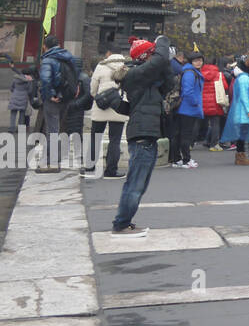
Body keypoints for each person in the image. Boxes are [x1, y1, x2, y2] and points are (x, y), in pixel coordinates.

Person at [111, 35, 175, 236]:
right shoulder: (135, 75)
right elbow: (160, 59)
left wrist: (164, 61)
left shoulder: (148, 79)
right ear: (146, 56)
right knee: (135, 183)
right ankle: (121, 224)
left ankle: (123, 221)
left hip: (148, 134)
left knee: (140, 183)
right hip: (141, 134)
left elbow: (168, 81)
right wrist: (162, 42)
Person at [37, 34, 82, 173]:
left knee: (52, 130)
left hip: (54, 99)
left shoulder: (48, 60)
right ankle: (54, 161)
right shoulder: (69, 57)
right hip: (66, 97)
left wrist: (50, 95)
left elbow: (45, 79)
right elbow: (76, 75)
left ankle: (51, 163)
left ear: (45, 46)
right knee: (58, 128)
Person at [87, 50, 128, 178]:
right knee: (114, 140)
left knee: (95, 138)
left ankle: (90, 167)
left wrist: (98, 97)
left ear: (109, 55)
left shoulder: (101, 66)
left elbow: (93, 88)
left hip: (101, 107)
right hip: (119, 107)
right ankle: (111, 171)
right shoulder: (127, 67)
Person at [222, 56, 249, 165]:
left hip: (243, 109)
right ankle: (241, 156)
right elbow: (245, 95)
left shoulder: (244, 77)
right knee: (242, 133)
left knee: (242, 133)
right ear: (248, 65)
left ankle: (240, 156)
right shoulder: (245, 78)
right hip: (244, 110)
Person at [174, 52, 204, 169]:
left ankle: (177, 159)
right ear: (191, 61)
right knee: (186, 135)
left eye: (200, 60)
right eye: (196, 60)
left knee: (179, 135)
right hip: (188, 109)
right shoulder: (191, 73)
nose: (199, 62)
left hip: (185, 108)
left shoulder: (189, 71)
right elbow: (188, 91)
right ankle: (186, 159)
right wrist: (195, 103)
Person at [200, 57, 229, 150]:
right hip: (216, 102)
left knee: (197, 123)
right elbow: (225, 86)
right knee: (215, 124)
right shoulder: (219, 74)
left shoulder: (199, 73)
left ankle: (190, 144)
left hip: (202, 102)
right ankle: (214, 144)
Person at [8, 66, 34, 132]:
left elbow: (11, 88)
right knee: (22, 115)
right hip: (24, 98)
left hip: (14, 97)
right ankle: (20, 129)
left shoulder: (15, 79)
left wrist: (15, 92)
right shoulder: (29, 80)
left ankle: (11, 128)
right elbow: (30, 91)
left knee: (13, 114)